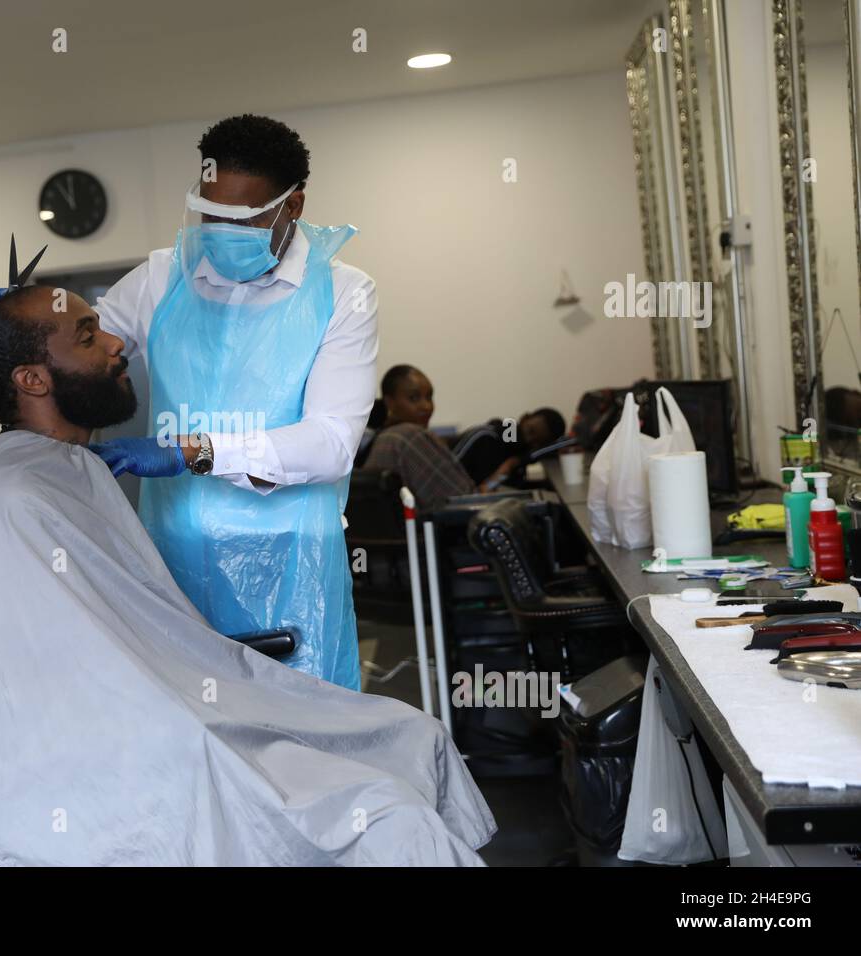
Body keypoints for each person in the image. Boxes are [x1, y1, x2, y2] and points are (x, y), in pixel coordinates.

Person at [0, 239, 495, 866]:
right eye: (90, 336)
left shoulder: (66, 471)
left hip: (167, 718)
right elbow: (78, 685)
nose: (120, 344)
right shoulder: (16, 496)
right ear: (33, 379)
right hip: (129, 749)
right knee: (380, 810)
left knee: (410, 735)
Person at [90, 114, 377, 690]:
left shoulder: (342, 293)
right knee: (194, 738)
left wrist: (191, 453)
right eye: (208, 211)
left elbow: (330, 444)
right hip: (171, 559)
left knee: (300, 740)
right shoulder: (161, 278)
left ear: (292, 206)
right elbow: (85, 346)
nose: (219, 228)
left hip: (289, 568)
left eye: (240, 218)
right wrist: (30, 323)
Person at [361, 365, 476, 514]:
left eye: (429, 397)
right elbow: (463, 500)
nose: (426, 406)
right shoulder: (409, 437)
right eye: (414, 398)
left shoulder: (379, 438)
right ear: (390, 402)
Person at [453, 407, 567, 489]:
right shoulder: (485, 437)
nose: (528, 440)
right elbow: (483, 490)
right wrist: (508, 466)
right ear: (524, 418)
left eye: (536, 442)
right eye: (530, 431)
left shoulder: (516, 449)